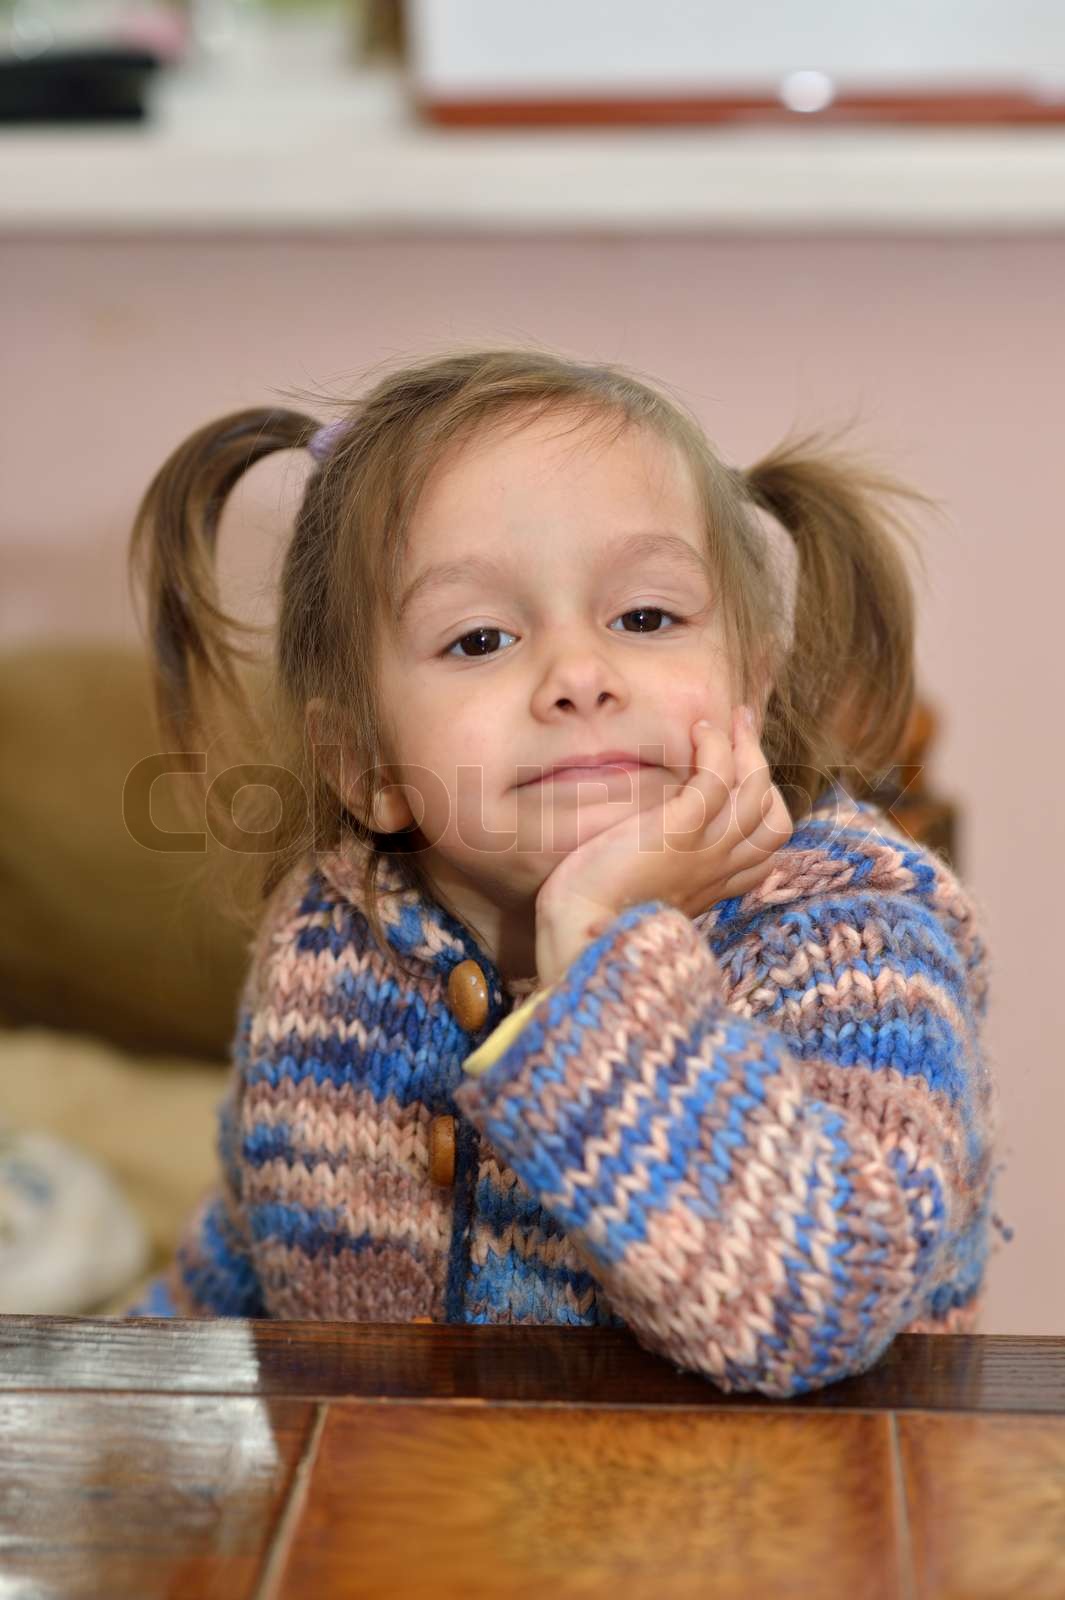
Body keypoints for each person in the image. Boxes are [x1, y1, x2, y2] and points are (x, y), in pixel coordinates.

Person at [119, 346, 1004, 1398]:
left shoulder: (848, 943)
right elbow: (249, 1251)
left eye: (645, 618)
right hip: (399, 1542)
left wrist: (600, 946)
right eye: (480, 637)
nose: (580, 677)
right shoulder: (333, 941)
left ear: (753, 690)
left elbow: (814, 1310)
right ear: (366, 768)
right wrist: (109, 1408)